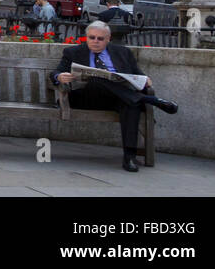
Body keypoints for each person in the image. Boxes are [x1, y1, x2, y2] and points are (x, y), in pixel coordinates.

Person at [52, 21, 178, 172]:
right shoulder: (72, 52)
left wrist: (145, 80)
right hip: (86, 98)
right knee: (96, 77)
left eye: (100, 38)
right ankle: (151, 101)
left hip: (117, 98)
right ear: (86, 37)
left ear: (108, 39)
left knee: (131, 105)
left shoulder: (122, 52)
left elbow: (137, 74)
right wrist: (60, 77)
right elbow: (55, 73)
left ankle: (129, 157)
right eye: (92, 37)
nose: (95, 41)